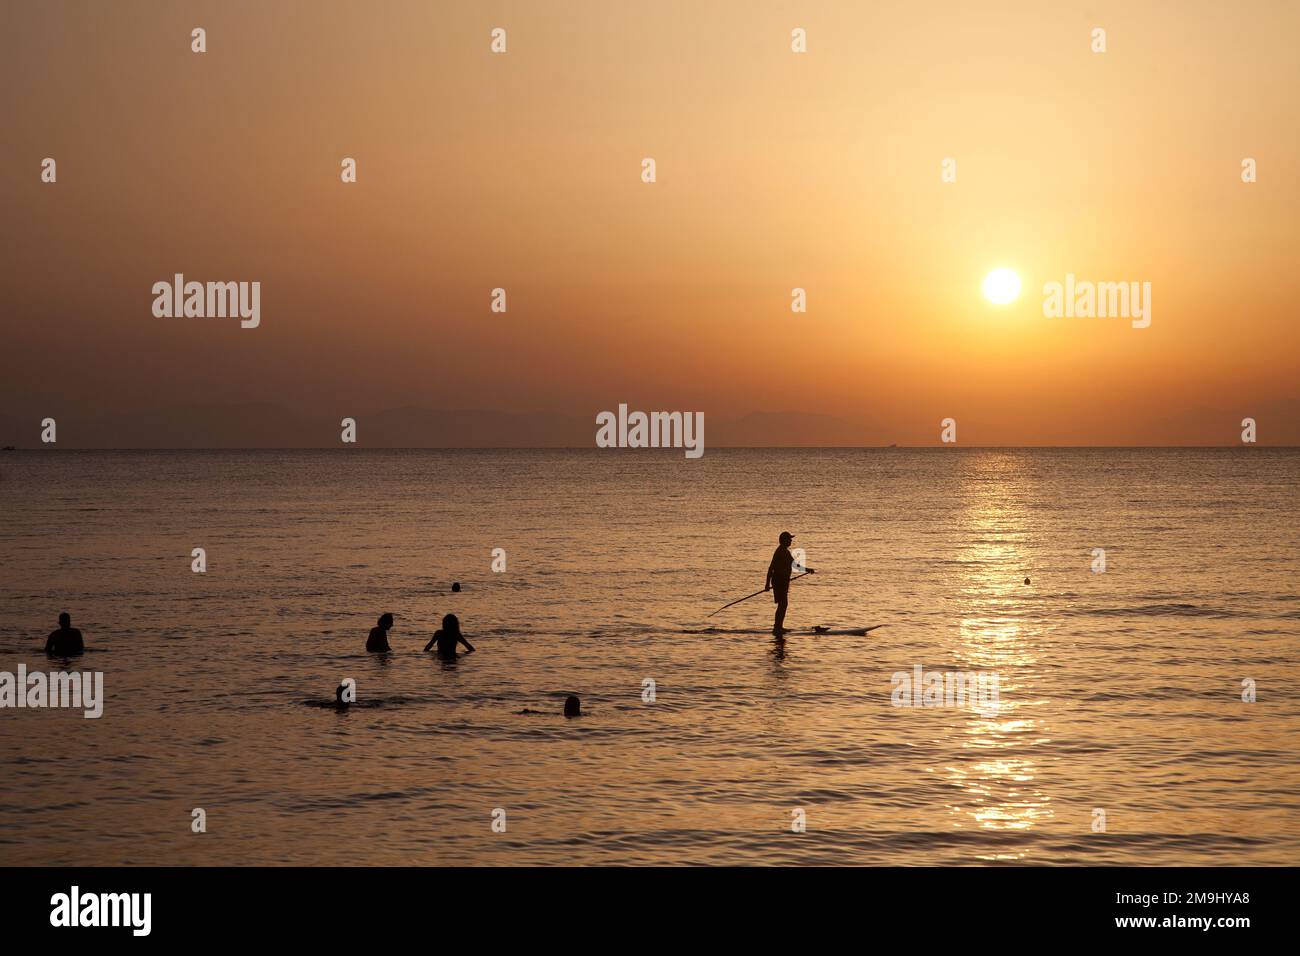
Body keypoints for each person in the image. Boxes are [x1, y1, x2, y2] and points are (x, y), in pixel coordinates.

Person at [764, 531, 814, 636]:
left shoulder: (786, 551)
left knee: (783, 604)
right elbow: (771, 568)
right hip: (778, 582)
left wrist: (807, 569)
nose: (791, 540)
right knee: (783, 604)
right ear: (784, 540)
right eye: (789, 539)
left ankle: (779, 626)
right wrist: (767, 584)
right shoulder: (780, 552)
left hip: (783, 582)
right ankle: (777, 627)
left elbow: (795, 565)